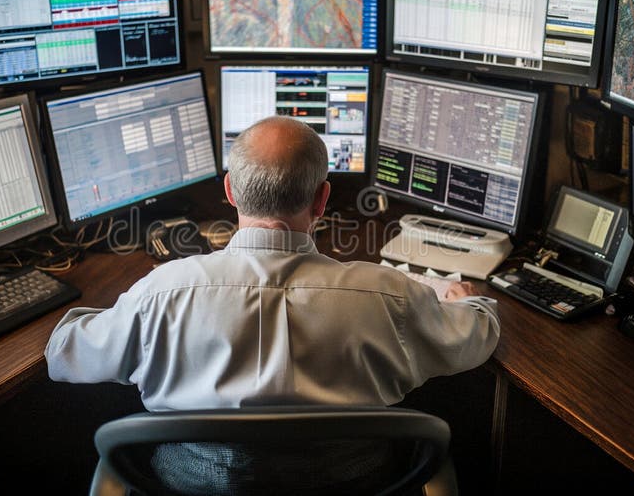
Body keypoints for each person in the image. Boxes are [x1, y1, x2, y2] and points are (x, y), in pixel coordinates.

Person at [45, 116, 500, 410]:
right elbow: (477, 338)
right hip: (347, 481)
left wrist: (119, 311)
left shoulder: (163, 293)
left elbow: (63, 354)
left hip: (198, 482)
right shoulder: (388, 295)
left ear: (229, 191)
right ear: (323, 199)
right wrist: (474, 305)